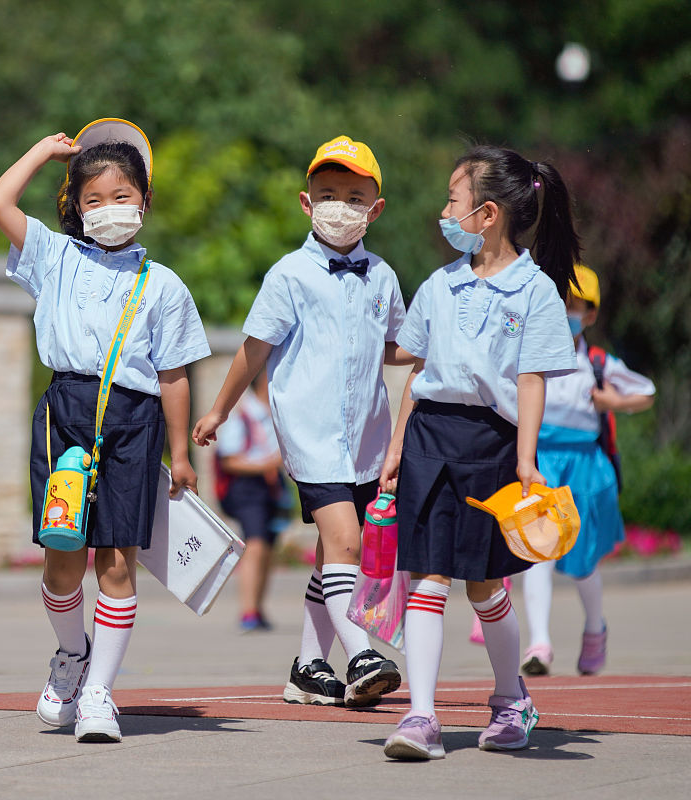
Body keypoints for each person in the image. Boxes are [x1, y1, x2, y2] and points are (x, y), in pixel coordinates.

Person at [0, 119, 210, 743]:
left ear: (144, 201)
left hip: (135, 424)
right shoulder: (53, 258)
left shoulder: (163, 285)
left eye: (121, 197)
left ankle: (101, 695)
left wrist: (181, 454)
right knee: (64, 560)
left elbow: (174, 375)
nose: (108, 210)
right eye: (93, 200)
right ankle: (70, 657)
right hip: (67, 416)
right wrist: (44, 151)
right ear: (73, 208)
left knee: (117, 562)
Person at [193, 135, 409, 709]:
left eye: (355, 195)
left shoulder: (383, 277)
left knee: (331, 553)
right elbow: (254, 349)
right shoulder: (289, 274)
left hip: (367, 438)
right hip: (311, 436)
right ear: (306, 202)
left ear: (375, 209)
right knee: (346, 540)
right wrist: (219, 408)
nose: (341, 204)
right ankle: (362, 653)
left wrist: (443, 347)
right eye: (329, 193)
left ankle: (309, 666)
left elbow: (393, 347)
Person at [379, 145, 580, 760]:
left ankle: (510, 698)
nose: (444, 211)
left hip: (492, 443)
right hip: (429, 439)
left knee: (486, 586)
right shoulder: (440, 284)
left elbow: (530, 380)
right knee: (425, 581)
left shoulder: (535, 291)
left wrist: (525, 461)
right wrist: (395, 445)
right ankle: (420, 718)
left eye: (453, 200)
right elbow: (416, 368)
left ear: (487, 213)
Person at [520, 264, 654, 676]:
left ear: (591, 314)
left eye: (577, 305)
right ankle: (539, 643)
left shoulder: (598, 363)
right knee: (537, 556)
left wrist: (612, 403)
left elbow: (646, 392)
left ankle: (595, 629)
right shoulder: (532, 355)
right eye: (562, 301)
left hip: (584, 468)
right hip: (543, 464)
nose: (567, 311)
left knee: (582, 562)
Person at [213, 373, 289, 632]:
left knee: (267, 545)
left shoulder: (276, 415)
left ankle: (257, 608)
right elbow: (228, 459)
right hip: (246, 485)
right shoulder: (244, 415)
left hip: (269, 484)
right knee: (255, 543)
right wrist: (267, 464)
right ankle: (247, 610)